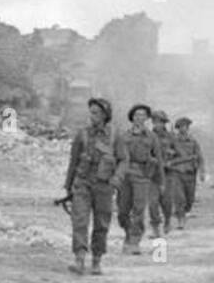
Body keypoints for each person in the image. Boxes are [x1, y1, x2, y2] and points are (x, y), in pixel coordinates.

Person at [60, 96, 118, 274]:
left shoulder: (115, 136)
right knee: (80, 221)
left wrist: (117, 180)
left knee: (101, 224)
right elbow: (74, 160)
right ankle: (79, 259)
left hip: (104, 186)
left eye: (96, 113)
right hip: (83, 184)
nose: (92, 116)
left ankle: (97, 260)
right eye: (91, 112)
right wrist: (68, 186)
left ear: (105, 115)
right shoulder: (82, 134)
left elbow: (124, 160)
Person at [113, 104, 164, 255]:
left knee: (139, 209)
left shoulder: (152, 137)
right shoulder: (123, 136)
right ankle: (128, 233)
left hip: (142, 175)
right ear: (132, 118)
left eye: (142, 115)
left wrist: (161, 181)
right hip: (125, 175)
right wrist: (114, 177)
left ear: (147, 118)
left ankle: (134, 241)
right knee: (122, 210)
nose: (139, 118)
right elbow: (116, 158)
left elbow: (159, 160)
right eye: (136, 115)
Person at [169, 116, 206, 226]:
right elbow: (167, 154)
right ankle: (181, 218)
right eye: (181, 127)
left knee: (190, 199)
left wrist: (202, 172)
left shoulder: (193, 141)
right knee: (180, 198)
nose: (183, 129)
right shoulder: (173, 141)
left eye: (185, 126)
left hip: (190, 174)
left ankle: (183, 212)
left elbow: (200, 157)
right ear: (178, 128)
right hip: (177, 173)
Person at [148, 110, 178, 236]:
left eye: (160, 122)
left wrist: (172, 160)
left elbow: (180, 154)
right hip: (153, 174)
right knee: (152, 203)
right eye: (155, 121)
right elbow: (145, 153)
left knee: (166, 202)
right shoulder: (148, 136)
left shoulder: (171, 137)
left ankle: (167, 221)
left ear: (164, 123)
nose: (157, 124)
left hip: (168, 174)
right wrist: (153, 160)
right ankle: (155, 226)